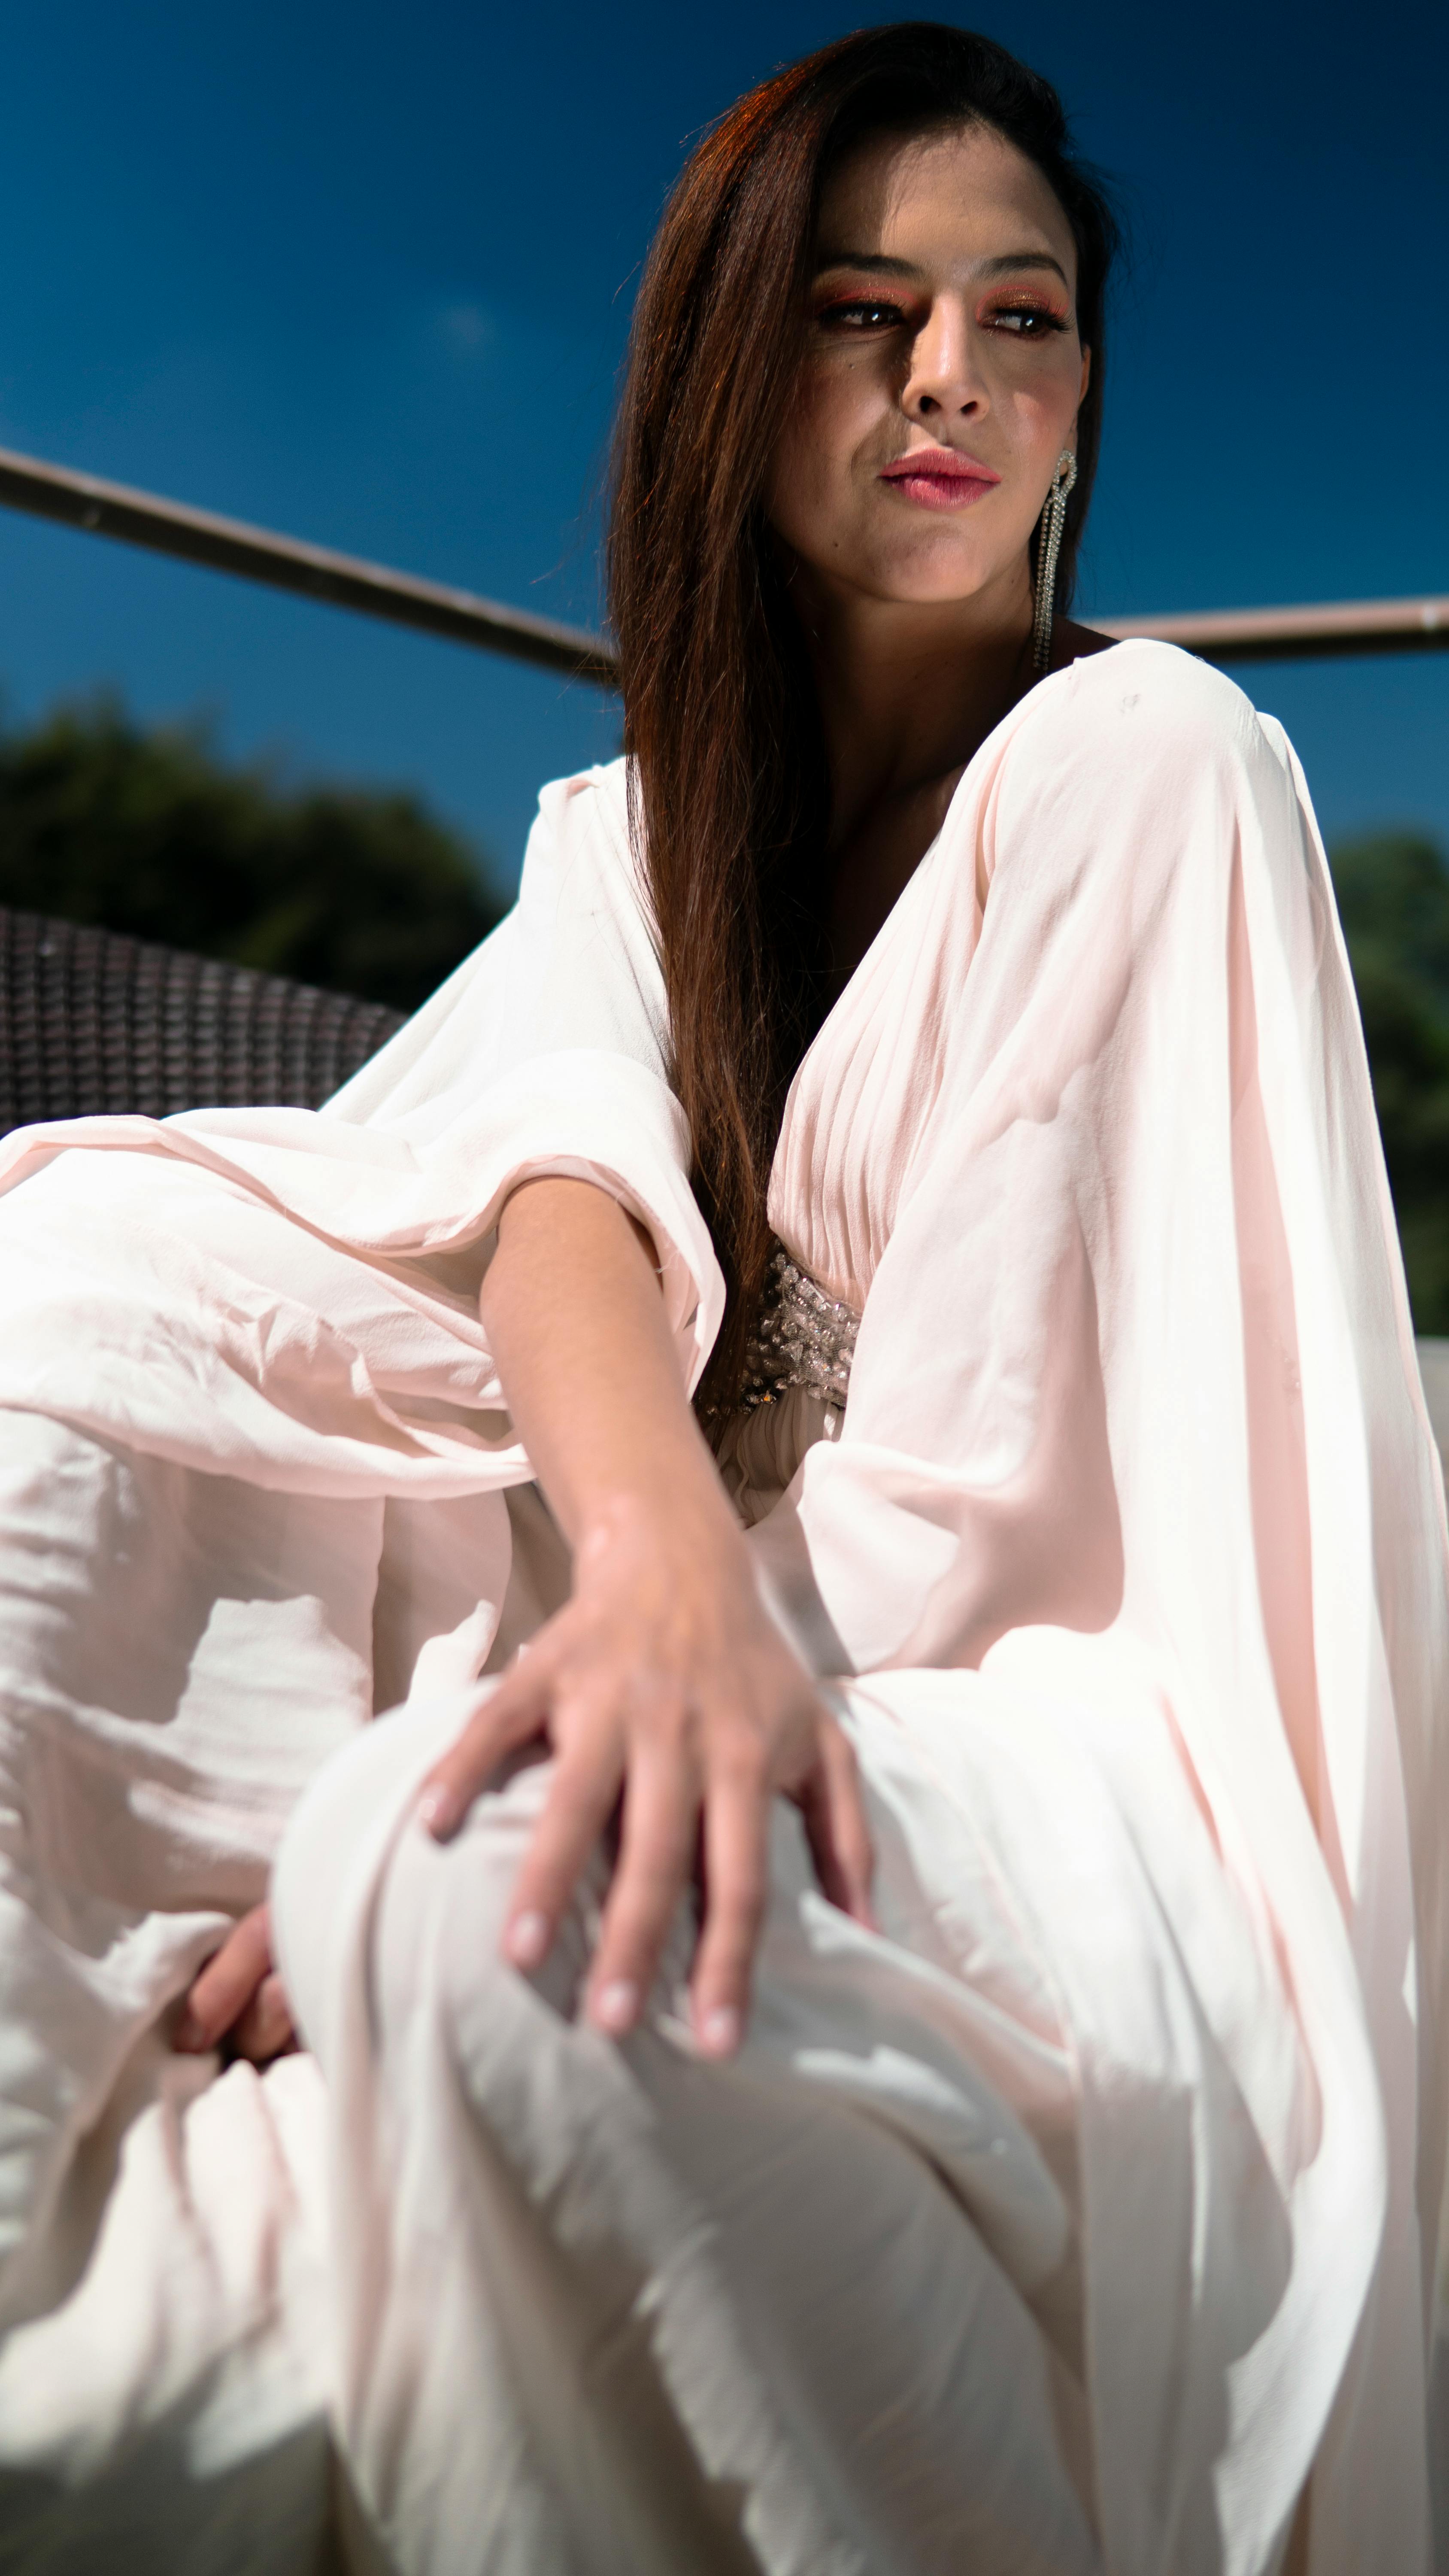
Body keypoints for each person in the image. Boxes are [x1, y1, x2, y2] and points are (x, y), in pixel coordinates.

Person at [0, 21, 1443, 2575]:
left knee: (487, 1909)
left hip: (1047, 1714)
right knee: (67, 1321)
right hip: (657, 1588)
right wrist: (645, 1578)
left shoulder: (1146, 766)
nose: (948, 380)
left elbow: (991, 1499)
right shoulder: (646, 822)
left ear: (1087, 387)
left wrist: (459, 1763)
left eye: (1024, 317)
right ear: (729, 363)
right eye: (864, 310)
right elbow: (545, 1168)